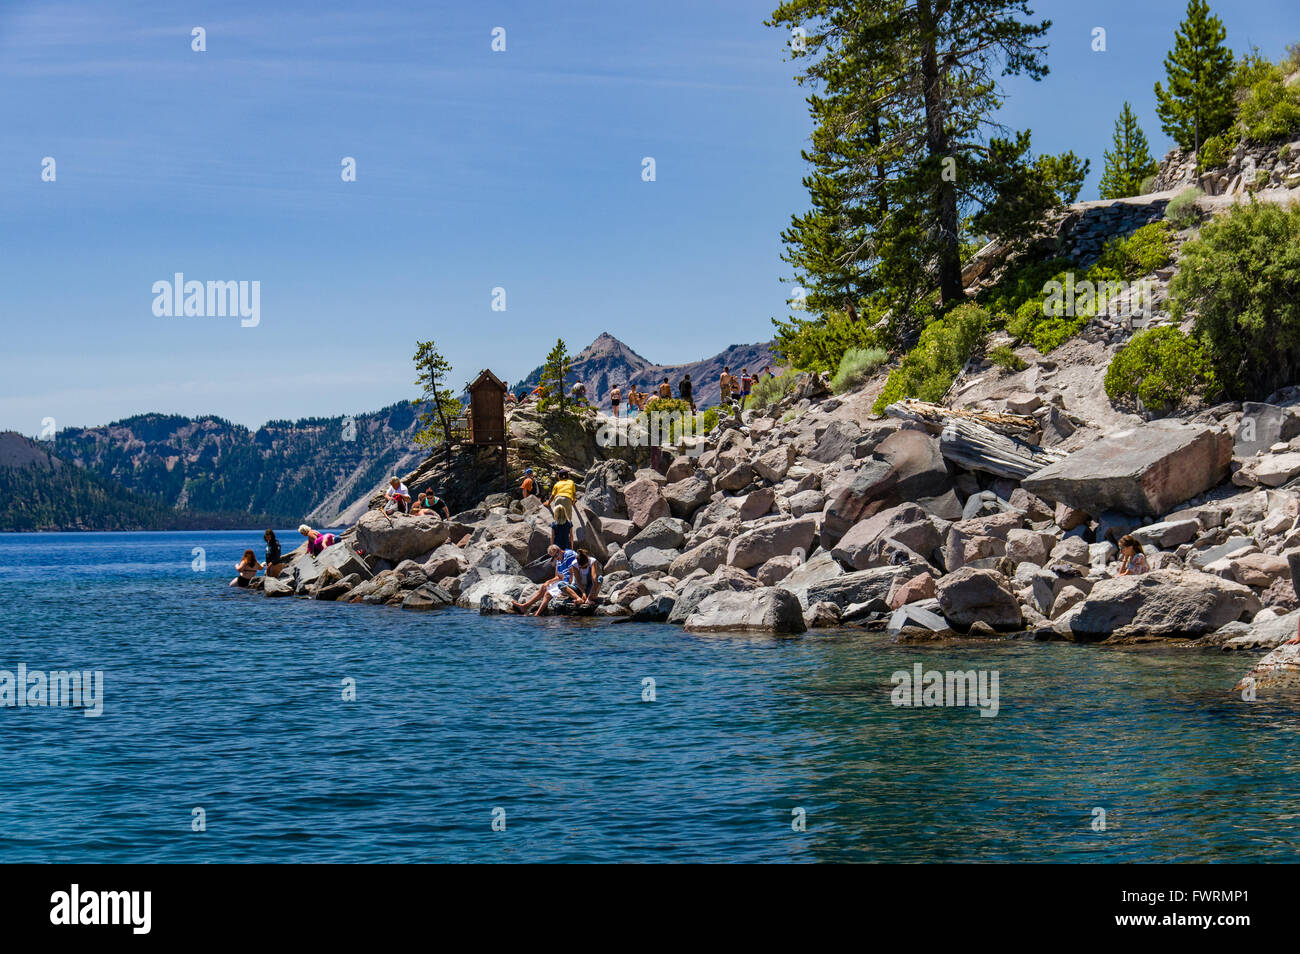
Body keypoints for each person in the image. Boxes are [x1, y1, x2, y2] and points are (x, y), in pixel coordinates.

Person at [511, 545, 582, 616]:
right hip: (564, 581)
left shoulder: (569, 555)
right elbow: (559, 576)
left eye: (556, 555)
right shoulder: (558, 561)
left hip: (572, 583)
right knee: (543, 587)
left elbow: (572, 573)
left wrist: (567, 589)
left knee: (548, 594)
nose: (556, 558)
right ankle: (525, 606)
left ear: (560, 550)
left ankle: (537, 614)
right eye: (553, 557)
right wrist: (548, 582)